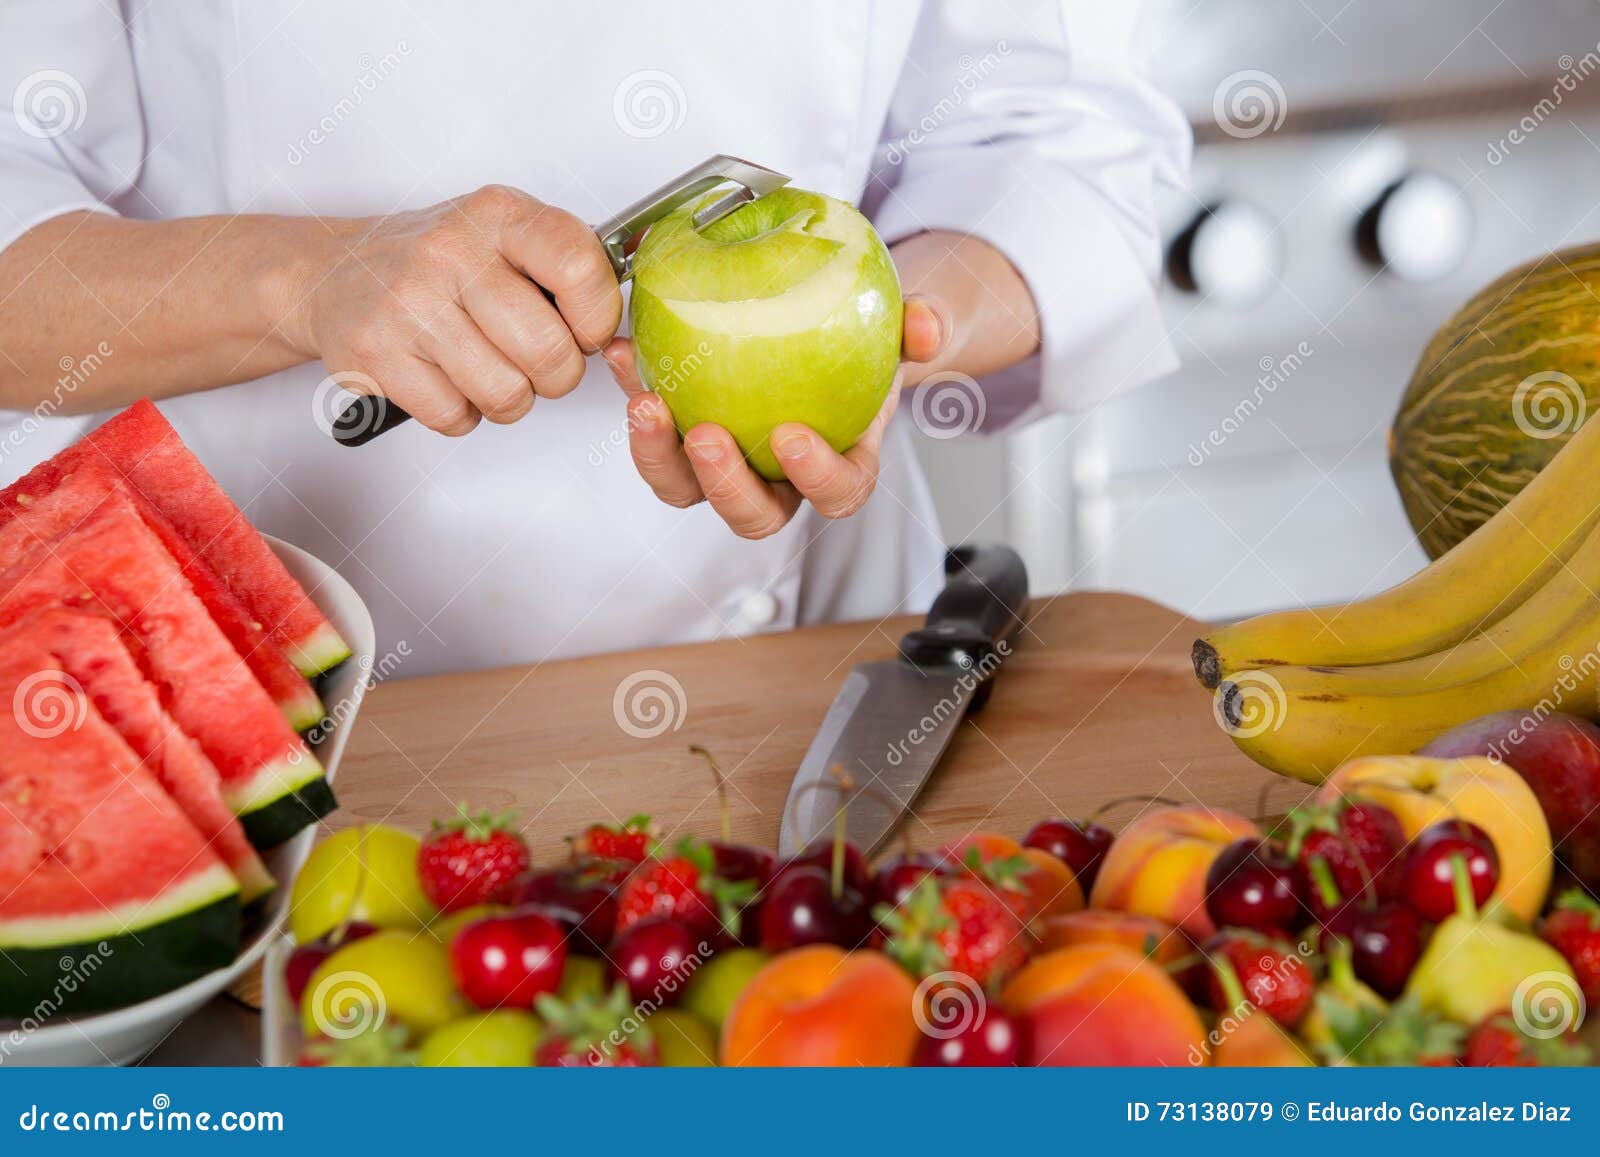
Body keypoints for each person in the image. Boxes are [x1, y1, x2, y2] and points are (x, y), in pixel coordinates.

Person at [0, 2, 1188, 676]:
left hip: (792, 673)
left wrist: (903, 328)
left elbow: (1062, 132)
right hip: (238, 661)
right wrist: (305, 279)